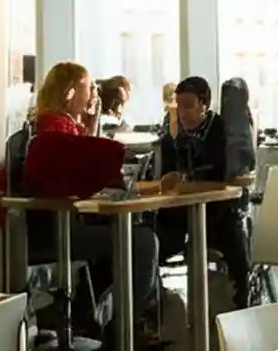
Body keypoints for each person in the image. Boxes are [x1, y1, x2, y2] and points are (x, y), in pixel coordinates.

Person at [22, 61, 160, 344]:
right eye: (89, 86)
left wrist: (91, 122)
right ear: (71, 91)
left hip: (54, 224)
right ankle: (121, 328)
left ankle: (109, 321)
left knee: (132, 238)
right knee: (143, 242)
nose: (94, 93)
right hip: (57, 229)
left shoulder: (54, 124)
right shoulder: (57, 130)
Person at [156, 77, 252, 308]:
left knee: (231, 227)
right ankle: (152, 299)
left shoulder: (219, 130)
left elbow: (219, 170)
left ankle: (243, 292)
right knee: (154, 237)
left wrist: (188, 177)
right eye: (179, 106)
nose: (182, 113)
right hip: (180, 208)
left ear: (204, 104)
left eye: (188, 106)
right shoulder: (171, 129)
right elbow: (167, 169)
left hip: (214, 207)